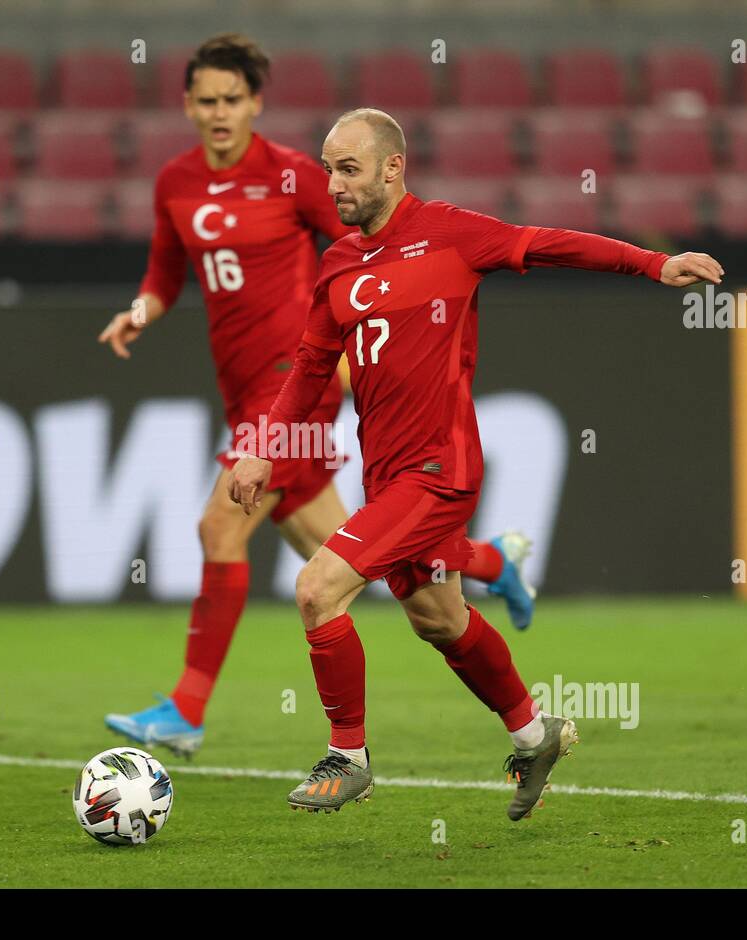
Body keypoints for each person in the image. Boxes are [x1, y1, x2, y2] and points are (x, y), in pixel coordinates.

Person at [229, 108, 724, 819]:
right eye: (327, 169)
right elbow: (310, 370)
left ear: (393, 168)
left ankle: (349, 757)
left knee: (316, 590)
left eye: (349, 168)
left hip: (440, 469)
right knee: (438, 618)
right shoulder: (337, 264)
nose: (333, 184)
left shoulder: (449, 233)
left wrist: (651, 263)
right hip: (386, 475)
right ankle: (535, 732)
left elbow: (548, 244)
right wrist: (262, 447)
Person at [100, 37, 536, 759]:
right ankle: (488, 562)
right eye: (206, 100)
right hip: (245, 390)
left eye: (232, 99)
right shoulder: (174, 182)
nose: (218, 112)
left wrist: (359, 353)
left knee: (221, 529)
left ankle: (188, 709)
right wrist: (139, 313)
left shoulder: (293, 176)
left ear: (254, 104)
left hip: (293, 390)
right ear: (187, 104)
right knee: (364, 560)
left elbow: (372, 251)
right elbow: (164, 274)